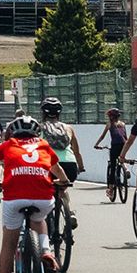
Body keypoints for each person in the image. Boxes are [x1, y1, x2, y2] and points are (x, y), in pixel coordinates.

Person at [0, 114, 69, 273]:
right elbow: (57, 169)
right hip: (43, 199)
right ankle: (45, 250)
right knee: (39, 219)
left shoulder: (8, 145)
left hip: (14, 199)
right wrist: (64, 181)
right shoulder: (43, 145)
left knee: (8, 245)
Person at [35, 97, 83, 227]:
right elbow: (76, 151)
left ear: (43, 113)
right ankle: (69, 212)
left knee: (44, 190)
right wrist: (81, 166)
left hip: (49, 165)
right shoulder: (68, 128)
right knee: (62, 189)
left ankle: (43, 217)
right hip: (70, 165)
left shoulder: (39, 128)